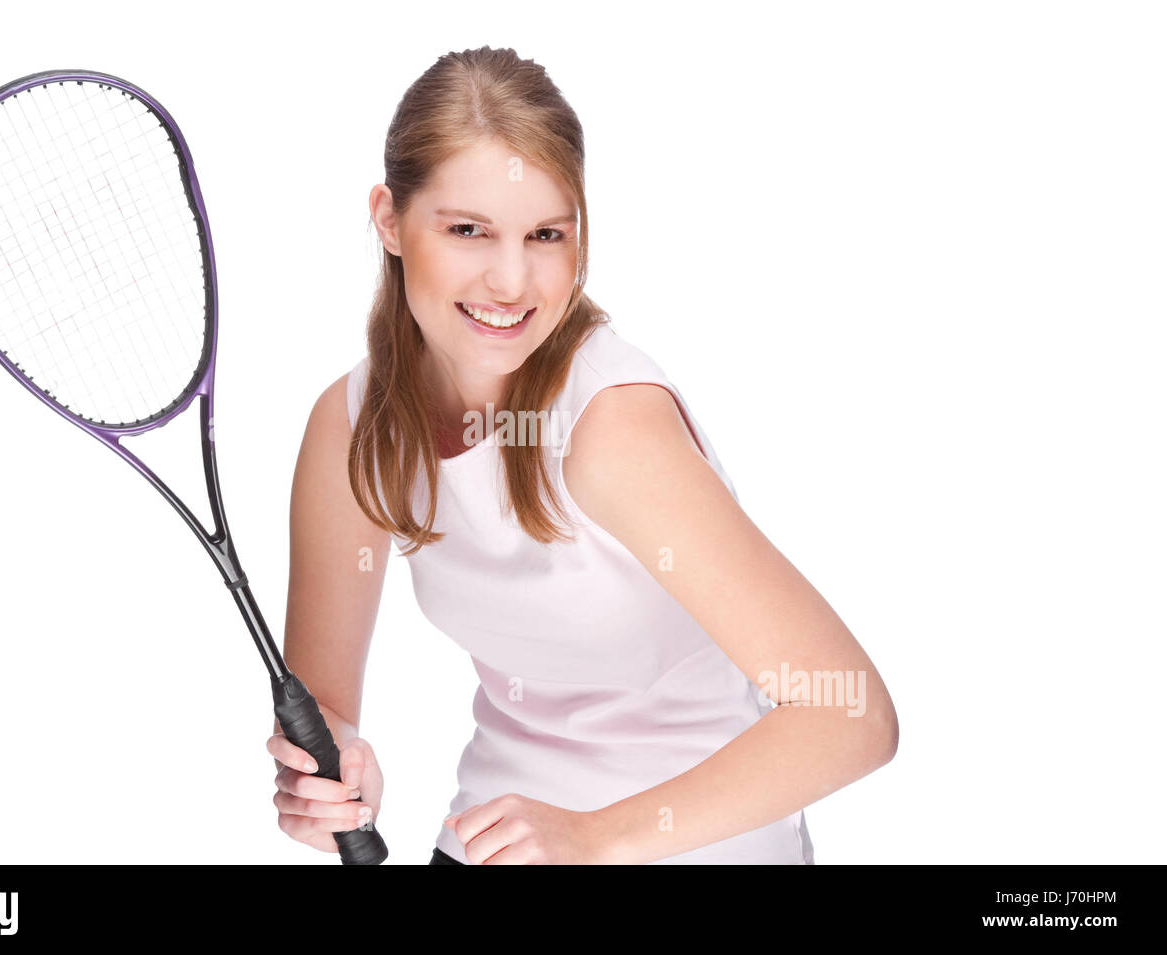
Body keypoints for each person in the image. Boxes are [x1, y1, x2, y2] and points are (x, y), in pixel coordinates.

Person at [267, 46, 898, 865]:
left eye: (545, 234)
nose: (511, 280)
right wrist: (331, 774)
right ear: (389, 220)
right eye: (467, 230)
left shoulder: (610, 427)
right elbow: (326, 708)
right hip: (498, 839)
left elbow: (851, 717)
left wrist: (595, 837)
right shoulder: (354, 427)